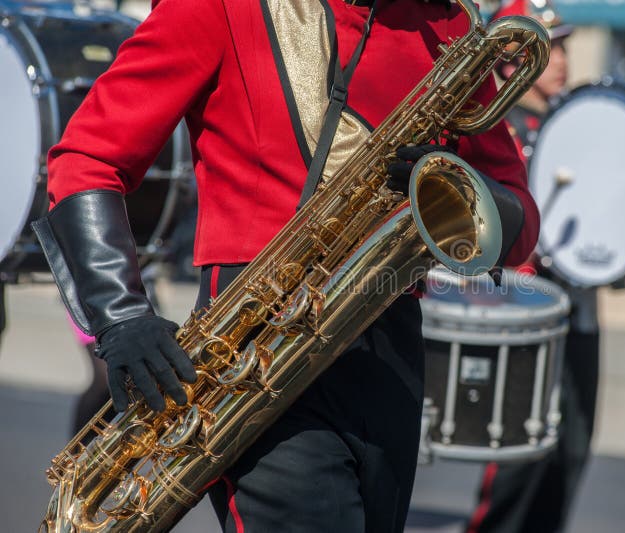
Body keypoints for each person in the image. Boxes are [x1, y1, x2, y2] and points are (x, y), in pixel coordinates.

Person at [31, 0, 540, 531]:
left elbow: (520, 217)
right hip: (255, 346)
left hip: (389, 351)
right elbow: (87, 159)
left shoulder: (446, 24)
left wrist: (463, 185)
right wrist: (120, 315)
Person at [467, 2, 600, 532]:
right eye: (549, 49)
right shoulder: (497, 128)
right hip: (521, 308)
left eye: (565, 47)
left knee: (573, 450)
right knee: (519, 464)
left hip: (577, 303)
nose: (562, 61)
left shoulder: (578, 126)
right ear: (508, 63)